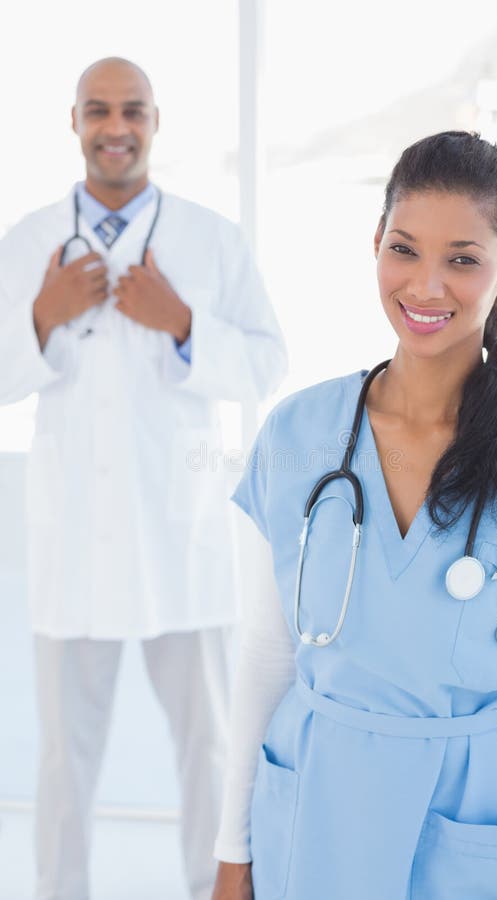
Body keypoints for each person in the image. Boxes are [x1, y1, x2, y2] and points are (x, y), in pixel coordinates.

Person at [211, 131, 497, 900]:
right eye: (403, 249)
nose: (425, 286)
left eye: (462, 258)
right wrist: (232, 854)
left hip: (461, 823)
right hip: (308, 806)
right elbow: (263, 656)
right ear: (376, 247)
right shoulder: (296, 435)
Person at [0, 57, 286, 900]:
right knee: (63, 766)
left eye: (131, 110)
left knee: (210, 753)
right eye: (98, 110)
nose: (114, 127)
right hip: (74, 543)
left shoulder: (208, 239)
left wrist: (185, 324)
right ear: (75, 122)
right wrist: (42, 316)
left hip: (181, 542)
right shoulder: (26, 243)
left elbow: (267, 363)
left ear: (155, 121)